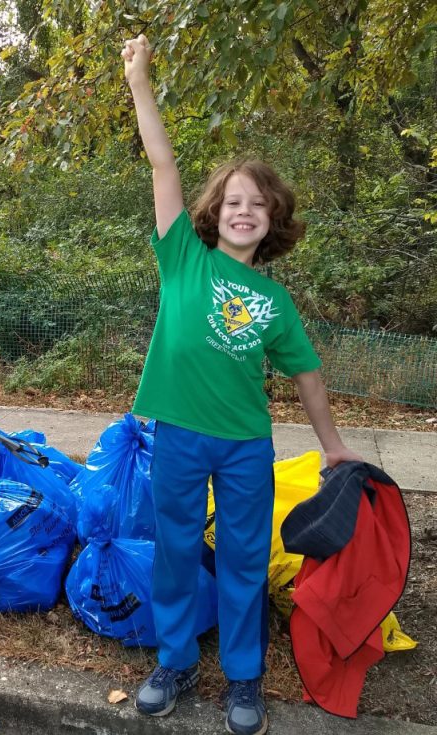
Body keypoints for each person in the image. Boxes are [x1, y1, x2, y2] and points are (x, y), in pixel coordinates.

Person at [121, 35, 363, 735]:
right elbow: (162, 160)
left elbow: (308, 375)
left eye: (257, 204)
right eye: (233, 201)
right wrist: (140, 79)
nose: (244, 210)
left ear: (272, 219)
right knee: (172, 549)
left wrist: (334, 445)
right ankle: (173, 660)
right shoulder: (182, 258)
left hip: (244, 446)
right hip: (178, 434)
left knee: (245, 558)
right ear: (214, 212)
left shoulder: (276, 302)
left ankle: (244, 676)